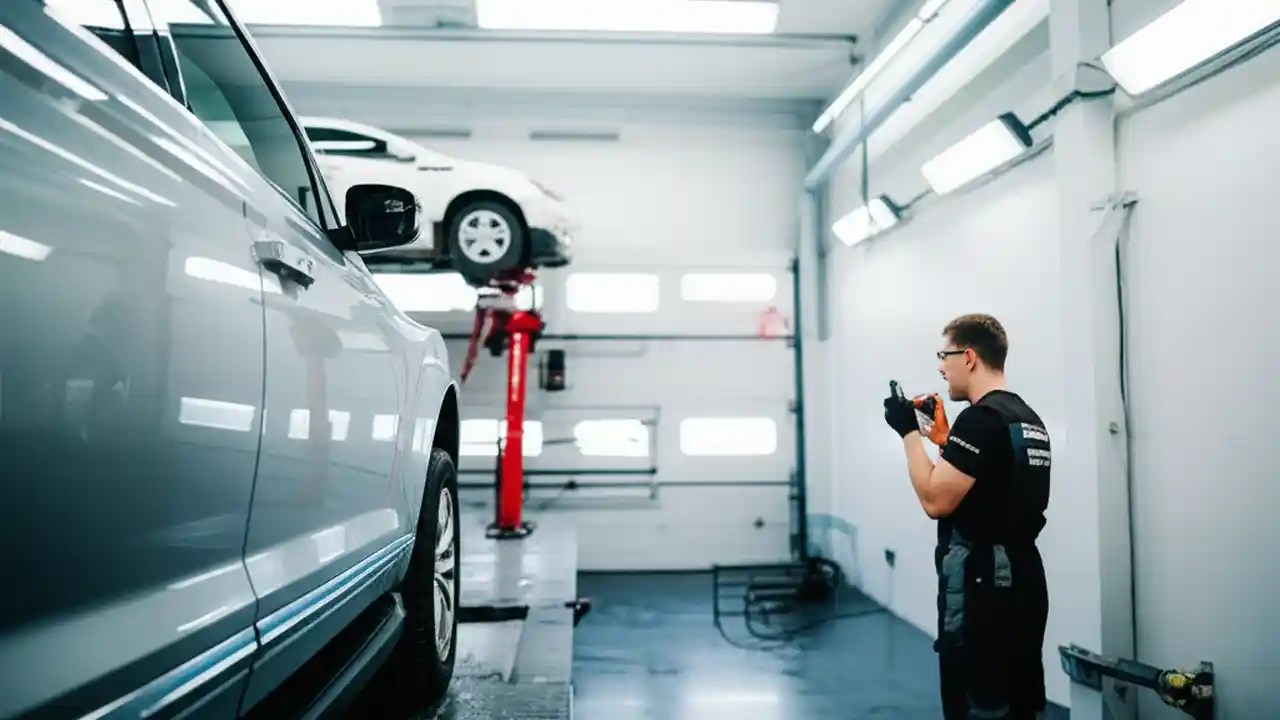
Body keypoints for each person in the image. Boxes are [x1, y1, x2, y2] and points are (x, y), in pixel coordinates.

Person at [882, 314, 1052, 720]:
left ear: (969, 357)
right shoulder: (1026, 418)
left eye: (945, 355)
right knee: (1020, 700)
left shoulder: (979, 419)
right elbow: (989, 485)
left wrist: (907, 432)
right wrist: (943, 440)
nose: (941, 367)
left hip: (983, 588)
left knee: (977, 702)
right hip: (1023, 582)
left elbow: (935, 500)